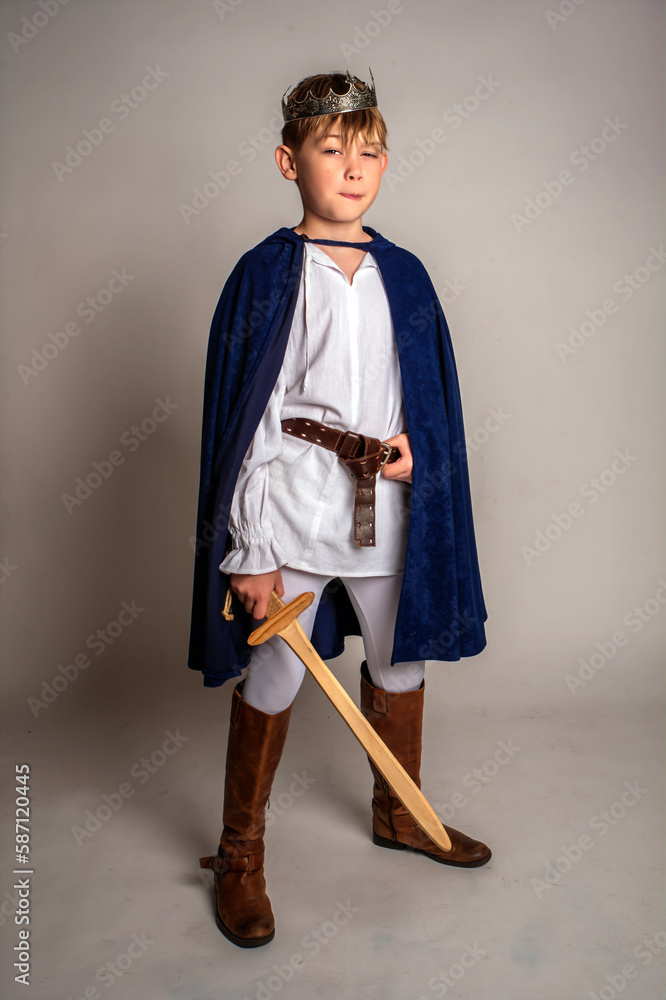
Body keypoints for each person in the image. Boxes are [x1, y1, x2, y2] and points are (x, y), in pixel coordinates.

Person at [191, 70, 491, 949]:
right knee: (278, 673)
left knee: (400, 666)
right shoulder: (266, 275)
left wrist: (417, 450)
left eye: (368, 153)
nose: (351, 169)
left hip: (388, 514)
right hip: (291, 510)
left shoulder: (406, 273)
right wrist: (249, 548)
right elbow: (247, 420)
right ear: (290, 161)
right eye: (331, 151)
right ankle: (239, 854)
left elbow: (428, 396)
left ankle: (399, 815)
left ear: (386, 164)